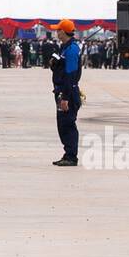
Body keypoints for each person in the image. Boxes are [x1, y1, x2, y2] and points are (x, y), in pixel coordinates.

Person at [49, 19, 82, 166]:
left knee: (68, 123)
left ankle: (71, 156)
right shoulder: (64, 48)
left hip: (67, 92)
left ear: (63, 31)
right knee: (62, 124)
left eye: (58, 30)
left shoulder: (72, 50)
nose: (56, 32)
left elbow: (71, 74)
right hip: (61, 91)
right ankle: (68, 153)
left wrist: (66, 98)